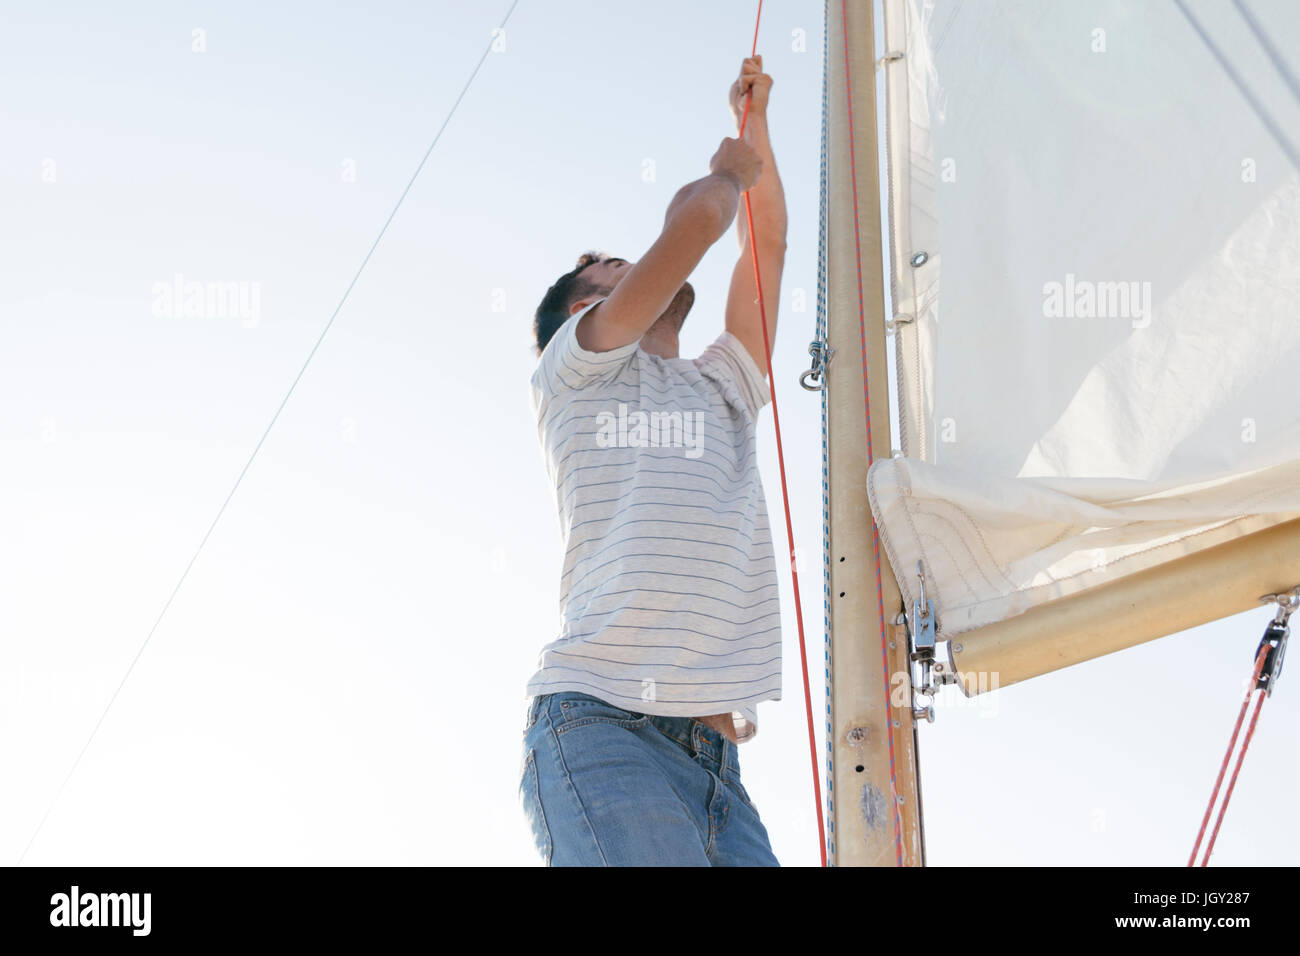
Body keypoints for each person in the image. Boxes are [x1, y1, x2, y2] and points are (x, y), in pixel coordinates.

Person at [519, 56, 787, 865]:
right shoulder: (576, 366)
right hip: (603, 729)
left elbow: (761, 244)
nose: (638, 265)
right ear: (579, 312)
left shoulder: (723, 384)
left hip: (715, 766)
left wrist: (755, 130)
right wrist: (716, 181)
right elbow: (700, 229)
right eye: (612, 271)